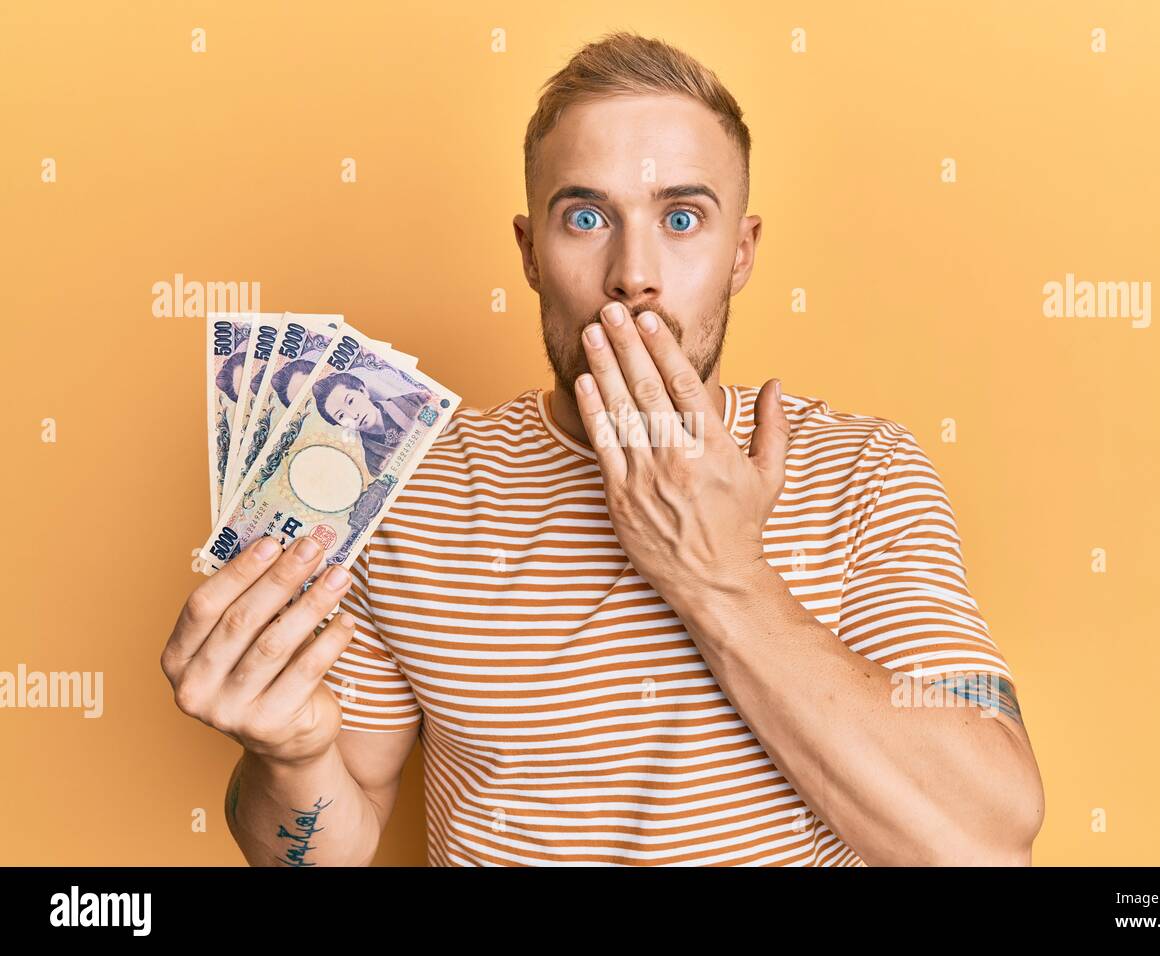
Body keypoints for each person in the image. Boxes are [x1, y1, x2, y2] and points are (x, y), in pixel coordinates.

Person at [162, 31, 1044, 867]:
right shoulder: (414, 486)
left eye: (684, 219)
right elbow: (327, 847)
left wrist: (721, 575)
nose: (633, 272)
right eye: (586, 217)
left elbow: (982, 842)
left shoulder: (864, 473)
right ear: (529, 252)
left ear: (742, 251)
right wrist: (290, 756)